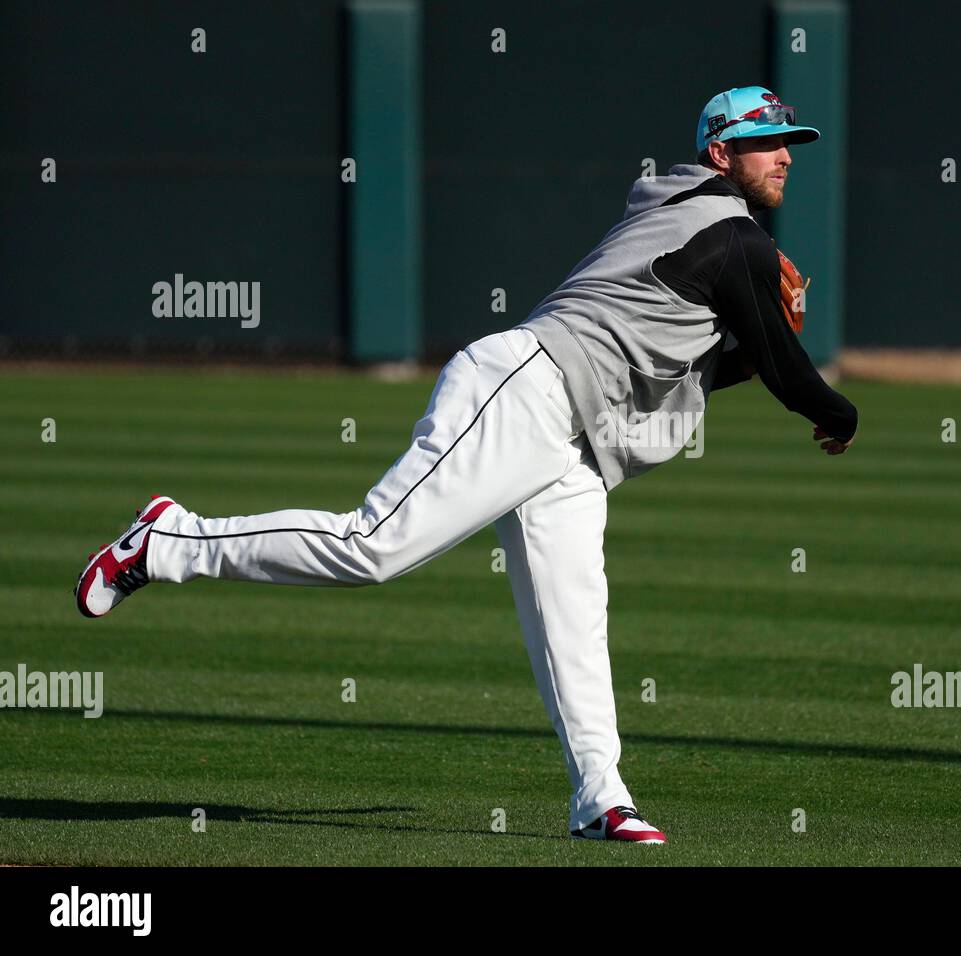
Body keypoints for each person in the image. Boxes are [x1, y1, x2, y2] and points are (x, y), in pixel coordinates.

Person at [74, 86, 858, 845]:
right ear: (721, 153)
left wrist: (747, 352)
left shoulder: (691, 220)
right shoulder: (733, 236)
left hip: (578, 439)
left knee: (573, 622)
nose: (784, 156)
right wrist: (839, 414)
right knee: (373, 546)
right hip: (527, 390)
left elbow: (699, 359)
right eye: (765, 142)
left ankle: (601, 799)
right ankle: (166, 540)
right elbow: (789, 371)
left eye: (790, 143)